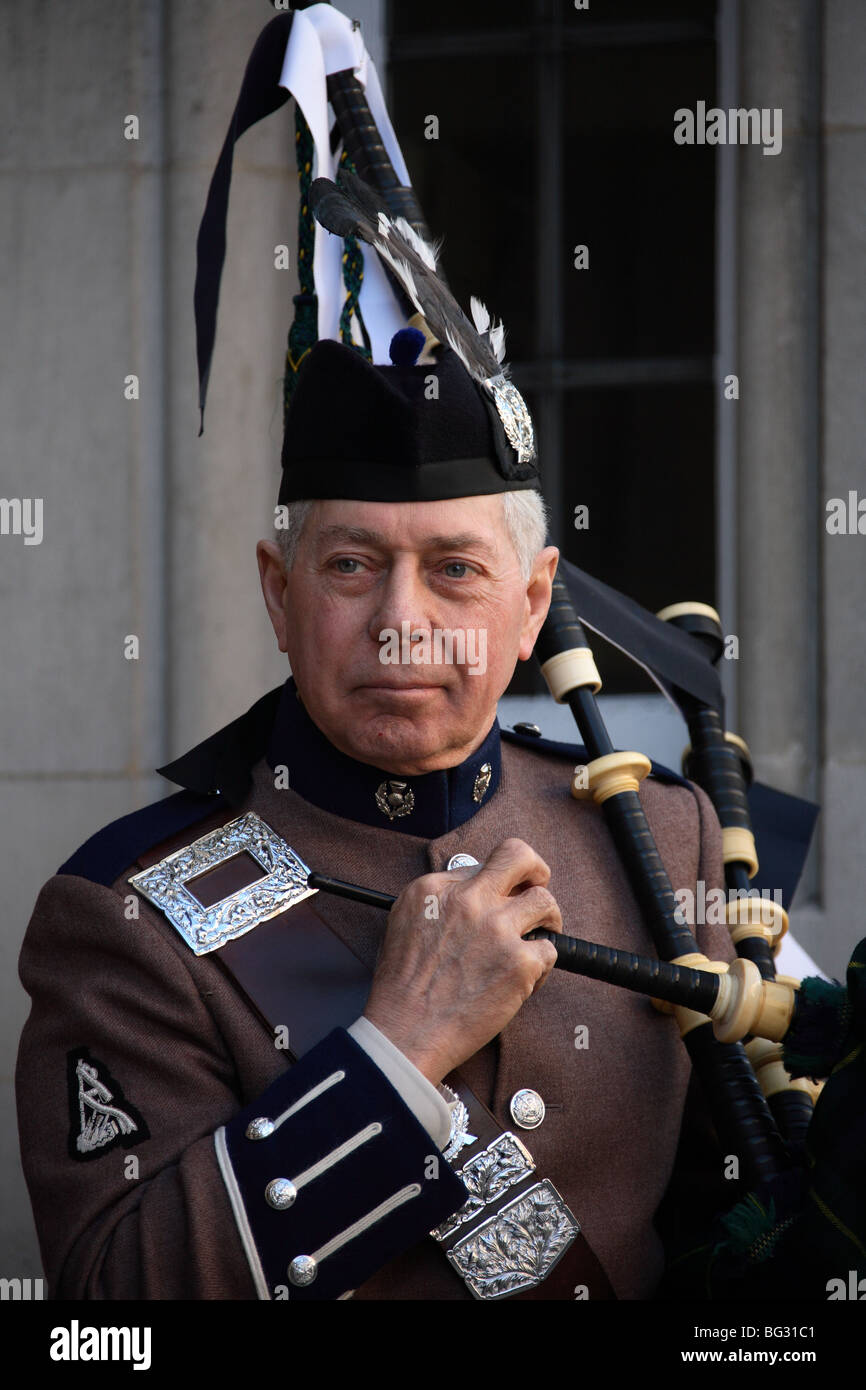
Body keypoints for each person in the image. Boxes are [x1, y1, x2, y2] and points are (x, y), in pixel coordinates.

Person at [15, 317, 735, 1302]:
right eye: (351, 565)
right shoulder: (125, 908)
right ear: (279, 594)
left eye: (453, 569)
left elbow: (726, 1228)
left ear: (531, 604)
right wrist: (400, 1044)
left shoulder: (657, 835)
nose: (400, 624)